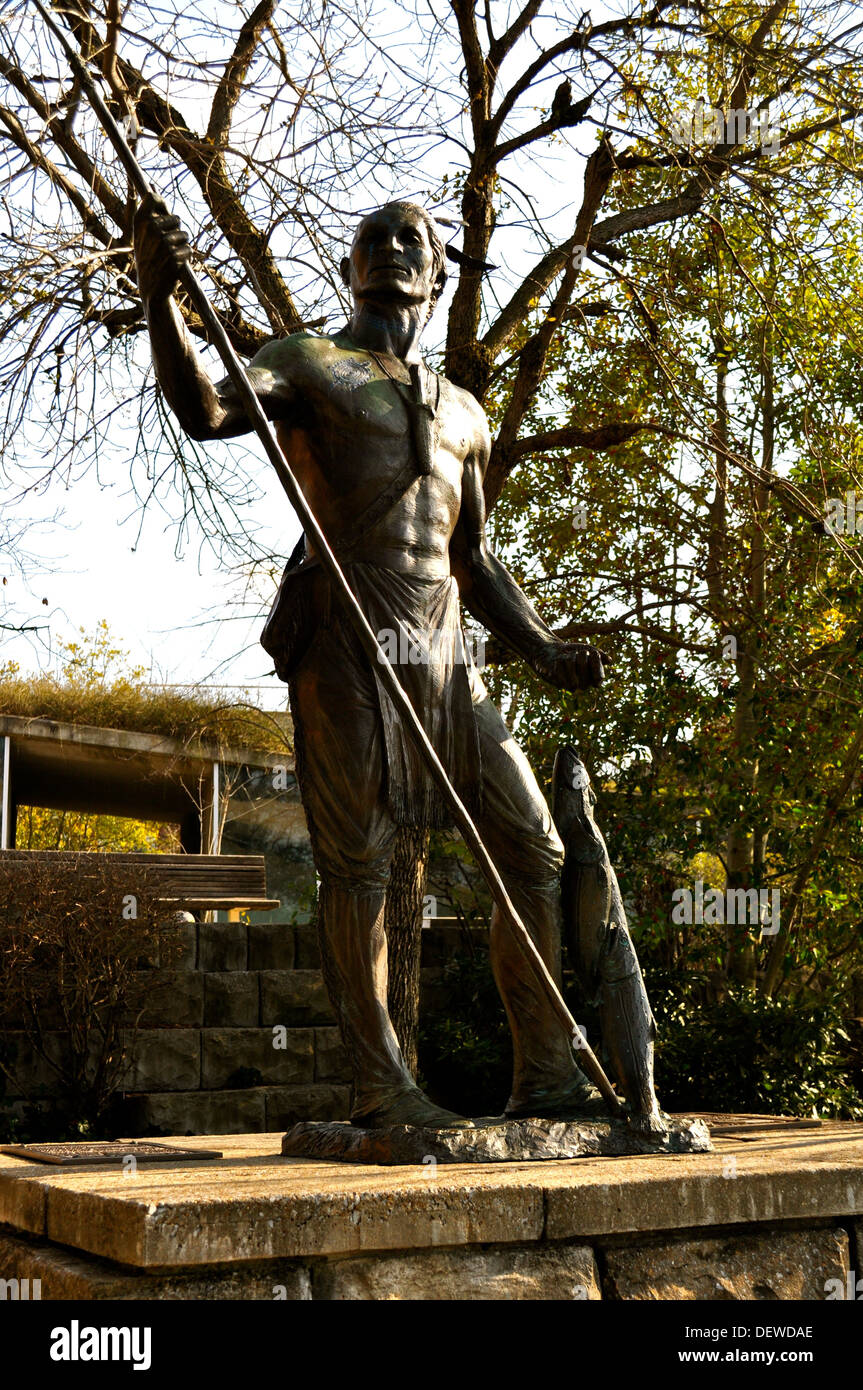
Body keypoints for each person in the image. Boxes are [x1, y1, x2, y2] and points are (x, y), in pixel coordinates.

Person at [134, 195, 613, 1129]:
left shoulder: (466, 414)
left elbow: (474, 558)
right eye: (373, 238)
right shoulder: (306, 360)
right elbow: (208, 408)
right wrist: (161, 299)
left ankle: (546, 1076)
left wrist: (544, 647)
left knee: (535, 846)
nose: (392, 249)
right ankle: (381, 1087)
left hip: (443, 643)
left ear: (436, 277)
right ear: (352, 265)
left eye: (414, 241)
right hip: (345, 630)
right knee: (358, 864)